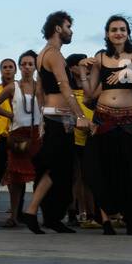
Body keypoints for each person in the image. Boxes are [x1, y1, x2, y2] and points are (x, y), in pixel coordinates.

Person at [81, 15, 132, 234]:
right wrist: (83, 71)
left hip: (130, 120)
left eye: (122, 29)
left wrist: (129, 73)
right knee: (103, 170)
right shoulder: (100, 57)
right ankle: (106, 221)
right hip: (104, 119)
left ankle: (130, 221)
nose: (118, 33)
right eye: (114, 29)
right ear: (107, 34)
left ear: (128, 33)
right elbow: (88, 96)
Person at [21, 12, 89, 233]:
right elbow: (65, 88)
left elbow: (40, 90)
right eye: (68, 26)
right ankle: (32, 212)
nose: (71, 31)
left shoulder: (43, 55)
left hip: (55, 117)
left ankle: (50, 217)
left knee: (60, 170)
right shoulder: (55, 55)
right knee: (56, 169)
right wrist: (79, 115)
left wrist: (44, 116)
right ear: (58, 28)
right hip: (59, 118)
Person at [0, 51, 42, 225]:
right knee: (16, 178)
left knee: (39, 174)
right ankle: (13, 215)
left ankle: (33, 212)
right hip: (17, 135)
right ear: (19, 66)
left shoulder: (40, 86)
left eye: (30, 64)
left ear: (35, 66)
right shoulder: (13, 87)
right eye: (24, 64)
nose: (27, 67)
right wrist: (9, 114)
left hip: (38, 133)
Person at [67, 53, 98, 228]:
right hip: (74, 134)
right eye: (80, 65)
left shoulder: (90, 86)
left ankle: (91, 212)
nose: (85, 68)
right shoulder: (68, 88)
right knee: (76, 177)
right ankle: (74, 211)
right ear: (72, 68)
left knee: (89, 176)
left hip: (92, 133)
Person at [0, 58, 17, 223]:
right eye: (4, 67)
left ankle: (16, 214)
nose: (7, 70)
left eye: (10, 67)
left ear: (15, 70)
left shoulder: (20, 89)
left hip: (16, 136)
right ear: (0, 71)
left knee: (16, 177)